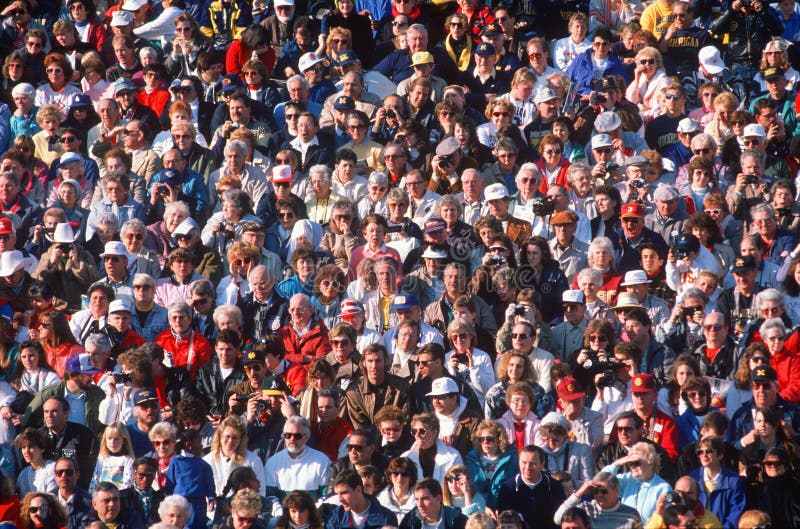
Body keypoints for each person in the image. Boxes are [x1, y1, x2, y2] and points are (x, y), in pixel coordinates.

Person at [496, 445, 567, 529]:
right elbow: (504, 522)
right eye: (524, 463)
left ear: (542, 464)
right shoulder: (508, 489)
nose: (528, 468)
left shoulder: (554, 487)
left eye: (533, 463)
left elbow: (561, 520)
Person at [601, 442, 672, 522]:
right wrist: (618, 462)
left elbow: (665, 520)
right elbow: (601, 482)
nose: (632, 466)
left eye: (636, 462)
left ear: (650, 462)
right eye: (630, 463)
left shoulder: (663, 488)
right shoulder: (627, 479)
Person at [263, 416, 330, 500]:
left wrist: (313, 512)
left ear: (307, 437)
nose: (292, 439)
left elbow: (325, 495)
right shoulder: (273, 462)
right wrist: (282, 512)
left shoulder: (322, 460)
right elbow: (270, 496)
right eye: (288, 435)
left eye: (297, 436)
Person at [326, 469, 398, 529]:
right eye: (337, 494)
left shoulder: (386, 517)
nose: (340, 499)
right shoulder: (334, 517)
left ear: (358, 490)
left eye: (344, 493)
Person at [398, 478, 467, 529]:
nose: (419, 504)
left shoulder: (458, 520)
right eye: (417, 499)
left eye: (424, 498)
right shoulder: (410, 520)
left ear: (438, 498)